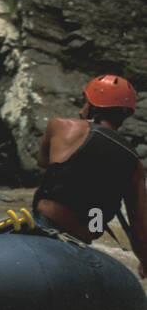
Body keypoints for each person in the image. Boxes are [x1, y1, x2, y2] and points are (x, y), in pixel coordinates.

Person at [33, 74, 147, 277]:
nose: (81, 109)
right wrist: (145, 263)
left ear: (95, 106)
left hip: (44, 229)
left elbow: (42, 162)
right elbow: (140, 232)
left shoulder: (61, 127)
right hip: (82, 244)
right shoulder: (135, 165)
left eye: (85, 101)